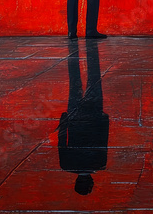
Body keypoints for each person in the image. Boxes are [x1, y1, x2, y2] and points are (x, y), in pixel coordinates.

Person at [58, 39, 110, 195]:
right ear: (76, 182)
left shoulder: (100, 164)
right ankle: (74, 53)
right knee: (74, 80)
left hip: (94, 117)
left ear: (90, 182)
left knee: (94, 77)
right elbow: (62, 141)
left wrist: (105, 119)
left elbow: (103, 140)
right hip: (75, 118)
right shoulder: (66, 165)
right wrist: (64, 120)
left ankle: (91, 51)